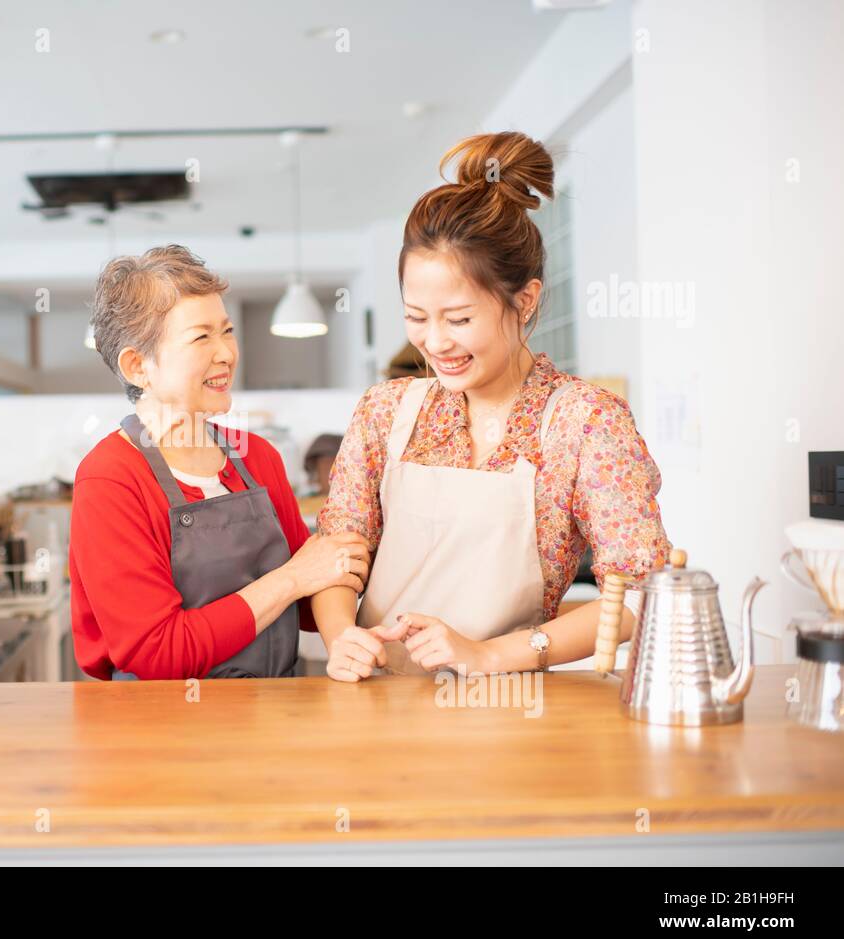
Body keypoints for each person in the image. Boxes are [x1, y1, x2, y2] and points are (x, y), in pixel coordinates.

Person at [313, 131, 670, 682]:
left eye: (459, 319)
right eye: (416, 316)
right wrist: (342, 639)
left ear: (523, 301)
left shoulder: (586, 422)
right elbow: (338, 554)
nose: (434, 342)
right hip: (374, 704)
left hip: (508, 712)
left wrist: (489, 655)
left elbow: (641, 595)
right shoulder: (384, 412)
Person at [70, 245, 374, 680]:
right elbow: (158, 651)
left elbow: (306, 605)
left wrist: (341, 572)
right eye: (201, 337)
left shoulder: (258, 458)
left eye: (227, 331)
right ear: (138, 366)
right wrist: (292, 578)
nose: (227, 353)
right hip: (162, 730)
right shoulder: (111, 479)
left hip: (272, 714)